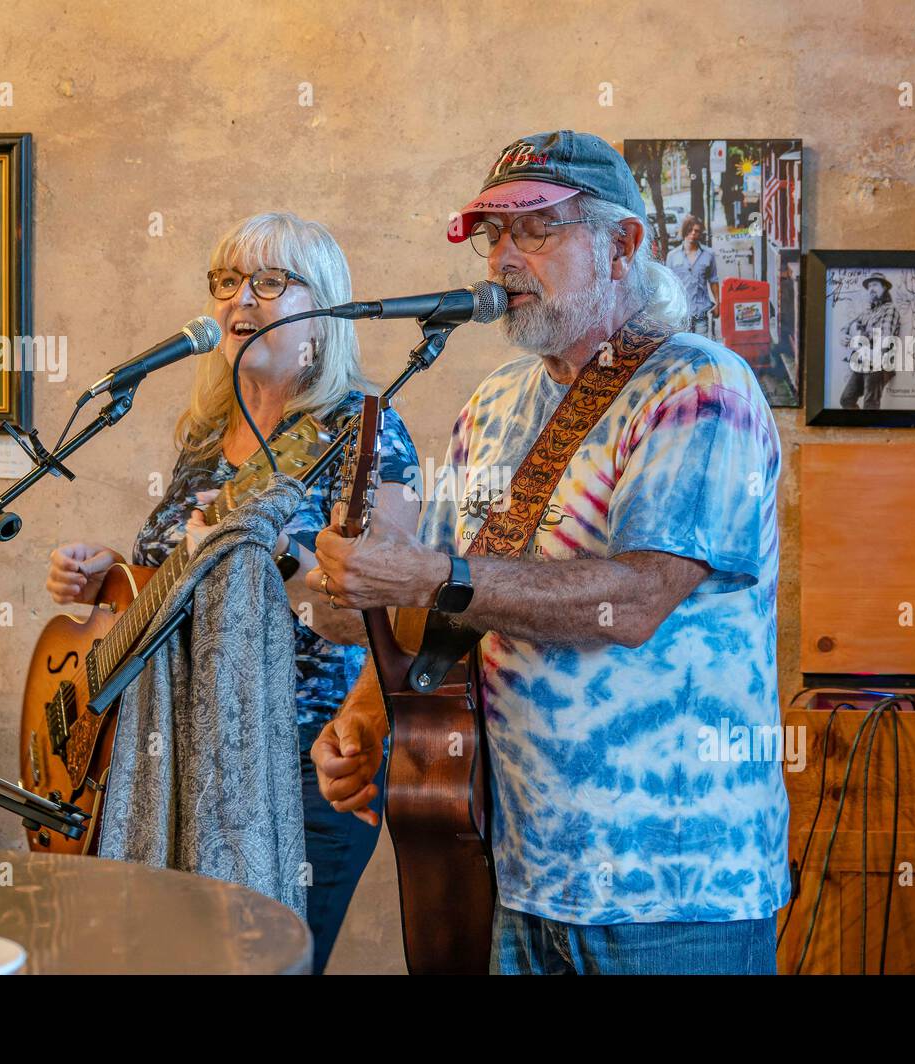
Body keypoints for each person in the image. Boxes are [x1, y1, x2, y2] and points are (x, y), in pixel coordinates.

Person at [307, 131, 789, 975]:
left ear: (623, 245)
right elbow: (447, 609)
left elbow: (636, 600)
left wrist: (431, 574)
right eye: (493, 236)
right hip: (512, 866)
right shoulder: (492, 402)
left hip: (674, 886)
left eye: (537, 231)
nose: (503, 259)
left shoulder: (701, 390)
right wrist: (369, 713)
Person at [44, 211, 419, 974]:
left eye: (269, 281)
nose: (240, 299)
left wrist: (277, 561)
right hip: (174, 760)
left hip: (298, 766)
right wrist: (107, 572)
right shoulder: (206, 434)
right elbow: (174, 583)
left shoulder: (365, 433)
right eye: (226, 281)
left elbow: (381, 623)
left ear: (327, 310)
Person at [838, 273, 901, 410]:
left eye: (875, 285)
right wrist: (843, 335)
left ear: (884, 288)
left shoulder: (890, 309)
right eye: (869, 286)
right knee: (846, 399)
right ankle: (859, 429)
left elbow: (885, 339)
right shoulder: (867, 312)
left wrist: (862, 337)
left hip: (879, 363)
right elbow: (847, 327)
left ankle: (869, 429)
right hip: (864, 361)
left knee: (870, 405)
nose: (871, 289)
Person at [665, 215, 719, 336]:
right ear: (685, 231)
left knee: (701, 347)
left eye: (697, 231)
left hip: (701, 312)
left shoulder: (708, 254)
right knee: (685, 349)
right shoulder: (672, 256)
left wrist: (718, 303)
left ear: (700, 233)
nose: (693, 233)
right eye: (690, 230)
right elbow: (668, 284)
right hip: (681, 314)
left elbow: (713, 280)